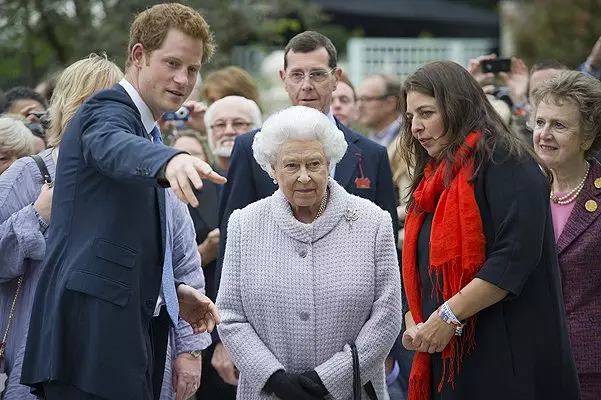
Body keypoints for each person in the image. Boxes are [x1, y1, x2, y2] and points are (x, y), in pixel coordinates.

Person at [20, 4, 224, 399]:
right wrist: (171, 158)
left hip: (114, 346)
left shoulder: (145, 126)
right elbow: (114, 146)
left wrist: (171, 291)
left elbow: (113, 239)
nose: (183, 79)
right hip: (87, 349)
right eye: (172, 63)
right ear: (138, 56)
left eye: (193, 69)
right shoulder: (106, 110)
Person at [214, 30, 399, 395]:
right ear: (274, 167)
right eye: (297, 74)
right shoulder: (251, 166)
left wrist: (341, 372)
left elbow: (387, 300)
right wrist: (268, 375)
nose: (303, 176)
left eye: (314, 163)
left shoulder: (370, 169)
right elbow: (231, 296)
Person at [399, 60, 581, 400]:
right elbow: (415, 265)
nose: (416, 128)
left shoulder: (507, 161)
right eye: (411, 118)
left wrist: (448, 316)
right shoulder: (433, 179)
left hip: (507, 363)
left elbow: (514, 257)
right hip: (449, 362)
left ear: (456, 107)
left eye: (426, 113)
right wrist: (416, 322)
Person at [183, 95, 261, 400]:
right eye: (220, 124)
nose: (229, 130)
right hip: (205, 331)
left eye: (239, 123)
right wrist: (205, 251)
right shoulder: (189, 185)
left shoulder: (277, 183)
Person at [531, 71, 601, 400]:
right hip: (531, 361)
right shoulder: (525, 190)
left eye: (559, 125)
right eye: (540, 122)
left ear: (588, 136)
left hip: (591, 368)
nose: (544, 134)